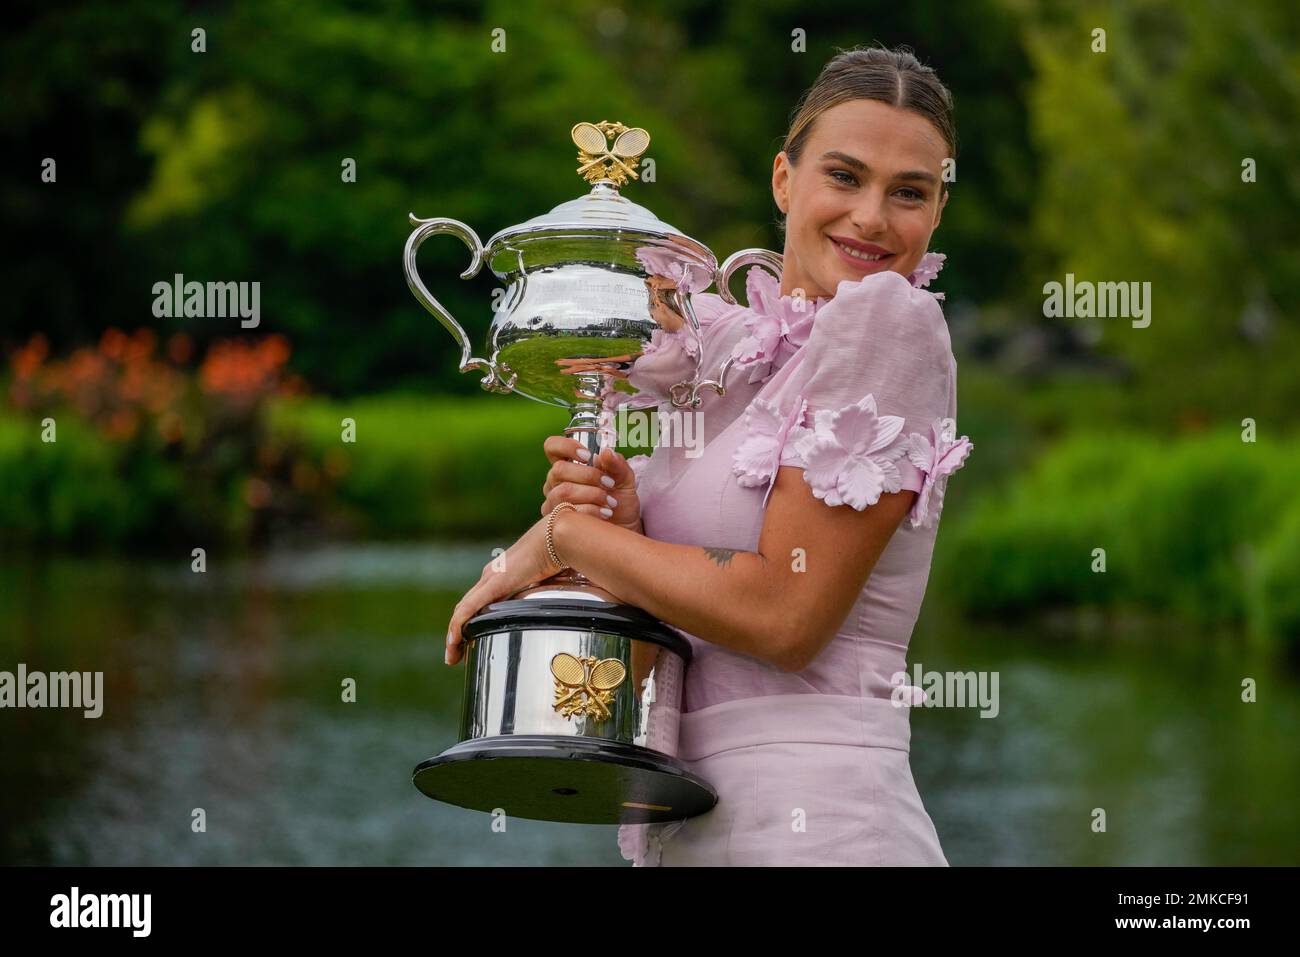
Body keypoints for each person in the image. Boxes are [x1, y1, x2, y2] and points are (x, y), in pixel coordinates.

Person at [445, 43, 973, 866]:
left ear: (936, 212)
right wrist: (628, 528)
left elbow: (785, 617)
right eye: (844, 176)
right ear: (783, 181)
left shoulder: (888, 328)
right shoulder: (741, 356)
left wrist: (568, 540)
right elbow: (716, 589)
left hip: (826, 827)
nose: (872, 216)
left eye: (908, 192)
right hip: (700, 822)